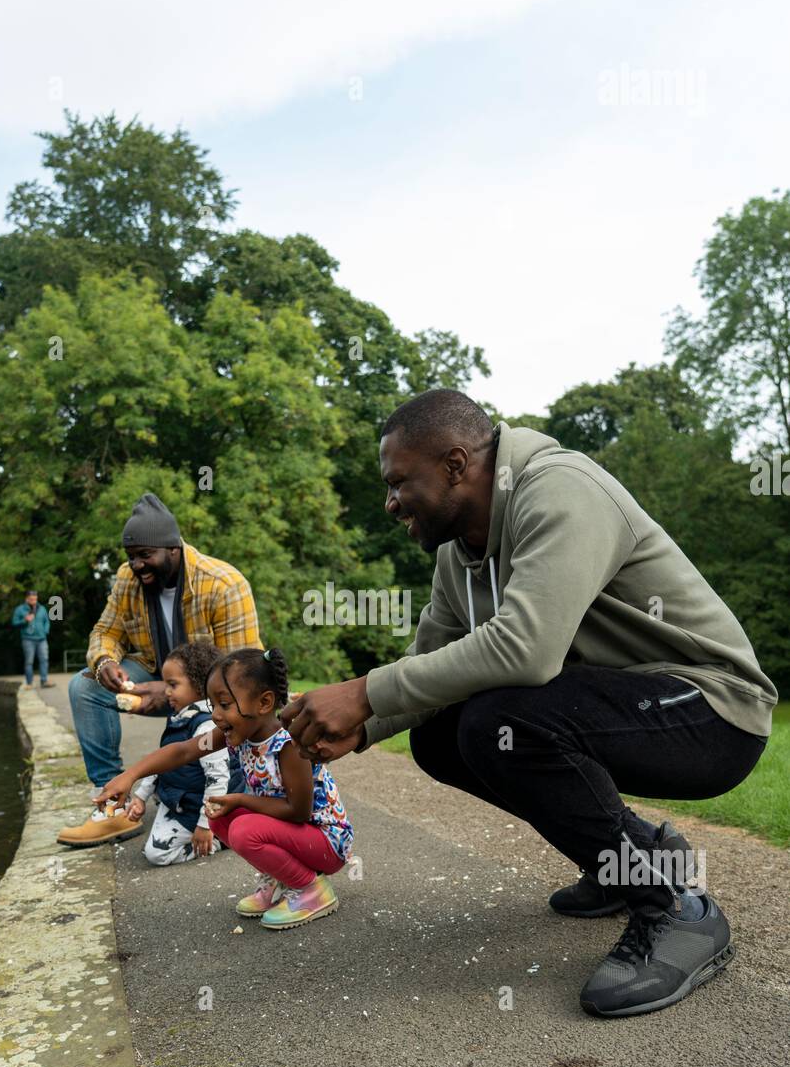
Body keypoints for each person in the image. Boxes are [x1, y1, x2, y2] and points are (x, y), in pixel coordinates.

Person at [280, 388, 777, 1018]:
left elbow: (526, 652)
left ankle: (675, 903)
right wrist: (357, 727)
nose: (389, 502)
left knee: (499, 720)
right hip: (627, 708)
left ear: (456, 464)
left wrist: (364, 693)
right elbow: (429, 662)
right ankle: (634, 853)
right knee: (441, 735)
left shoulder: (559, 488)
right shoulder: (457, 557)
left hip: (711, 709)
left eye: (399, 481)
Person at [95, 647, 354, 930]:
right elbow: (184, 751)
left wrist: (241, 799)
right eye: (212, 705)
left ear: (264, 703)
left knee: (244, 830)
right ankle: (280, 878)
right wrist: (129, 776)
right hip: (295, 832)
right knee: (218, 817)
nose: (216, 715)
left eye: (225, 704)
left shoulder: (287, 745)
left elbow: (299, 811)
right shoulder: (238, 732)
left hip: (326, 842)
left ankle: (310, 889)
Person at [57, 492, 262, 848]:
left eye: (144, 556)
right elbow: (105, 632)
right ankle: (110, 803)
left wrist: (181, 690)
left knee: (232, 718)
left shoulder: (223, 584)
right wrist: (105, 662)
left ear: (173, 550)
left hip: (214, 694)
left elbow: (243, 674)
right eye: (131, 557)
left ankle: (240, 792)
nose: (136, 565)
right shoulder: (127, 578)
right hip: (154, 679)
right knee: (84, 687)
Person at [118, 640, 230, 866]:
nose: (166, 691)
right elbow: (163, 760)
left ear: (200, 685)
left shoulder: (206, 727)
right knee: (156, 844)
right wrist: (141, 796)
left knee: (157, 854)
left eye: (173, 684)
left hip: (200, 805)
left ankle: (220, 839)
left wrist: (204, 825)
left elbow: (218, 780)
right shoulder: (180, 716)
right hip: (179, 798)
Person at [11, 589, 54, 689]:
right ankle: (29, 683)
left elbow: (47, 621)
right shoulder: (20, 609)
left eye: (35, 599)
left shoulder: (42, 609)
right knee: (29, 661)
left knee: (44, 659)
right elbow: (14, 623)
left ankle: (44, 681)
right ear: (26, 599)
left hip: (42, 639)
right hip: (28, 639)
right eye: (31, 599)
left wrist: (45, 631)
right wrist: (24, 620)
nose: (34, 601)